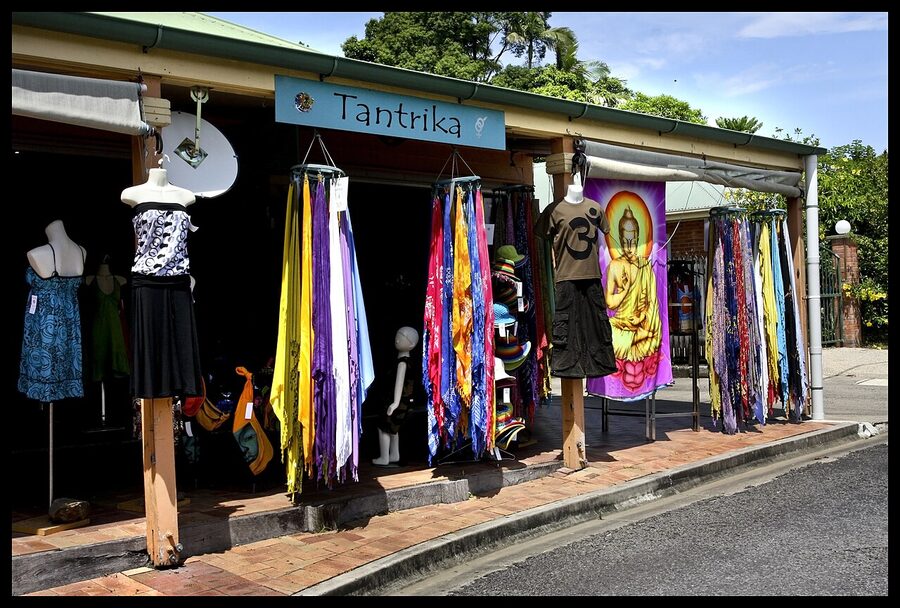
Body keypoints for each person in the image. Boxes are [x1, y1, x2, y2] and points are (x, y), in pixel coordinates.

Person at [123, 163, 203, 399]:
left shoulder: (186, 196)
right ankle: (151, 388)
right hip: (147, 280)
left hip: (179, 279)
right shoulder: (132, 194)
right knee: (152, 344)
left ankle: (181, 387)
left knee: (181, 343)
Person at [534, 180, 616, 379]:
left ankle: (600, 365)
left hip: (592, 277)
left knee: (596, 324)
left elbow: (605, 232)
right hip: (566, 278)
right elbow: (542, 234)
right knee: (566, 325)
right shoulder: (554, 210)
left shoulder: (595, 208)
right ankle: (567, 368)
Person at [18, 220, 87, 402]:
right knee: (64, 358)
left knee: (46, 361)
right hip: (70, 320)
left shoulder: (37, 253)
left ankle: (47, 395)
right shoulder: (80, 251)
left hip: (46, 321)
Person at [604, 206, 662, 363]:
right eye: (625, 242)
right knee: (605, 332)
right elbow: (610, 303)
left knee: (655, 331)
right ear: (619, 239)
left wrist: (641, 318)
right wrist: (625, 290)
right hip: (621, 324)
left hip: (642, 325)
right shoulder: (615, 265)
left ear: (638, 239)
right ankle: (634, 340)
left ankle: (636, 339)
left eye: (633, 242)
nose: (629, 247)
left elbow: (652, 304)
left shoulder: (645, 266)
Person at [373, 326, 419, 467]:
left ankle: (384, 457)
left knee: (384, 427)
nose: (397, 339)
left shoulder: (402, 363)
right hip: (403, 401)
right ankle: (394, 454)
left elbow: (399, 384)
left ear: (411, 344)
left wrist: (395, 403)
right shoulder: (406, 361)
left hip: (398, 401)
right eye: (398, 336)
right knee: (394, 428)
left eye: (403, 337)